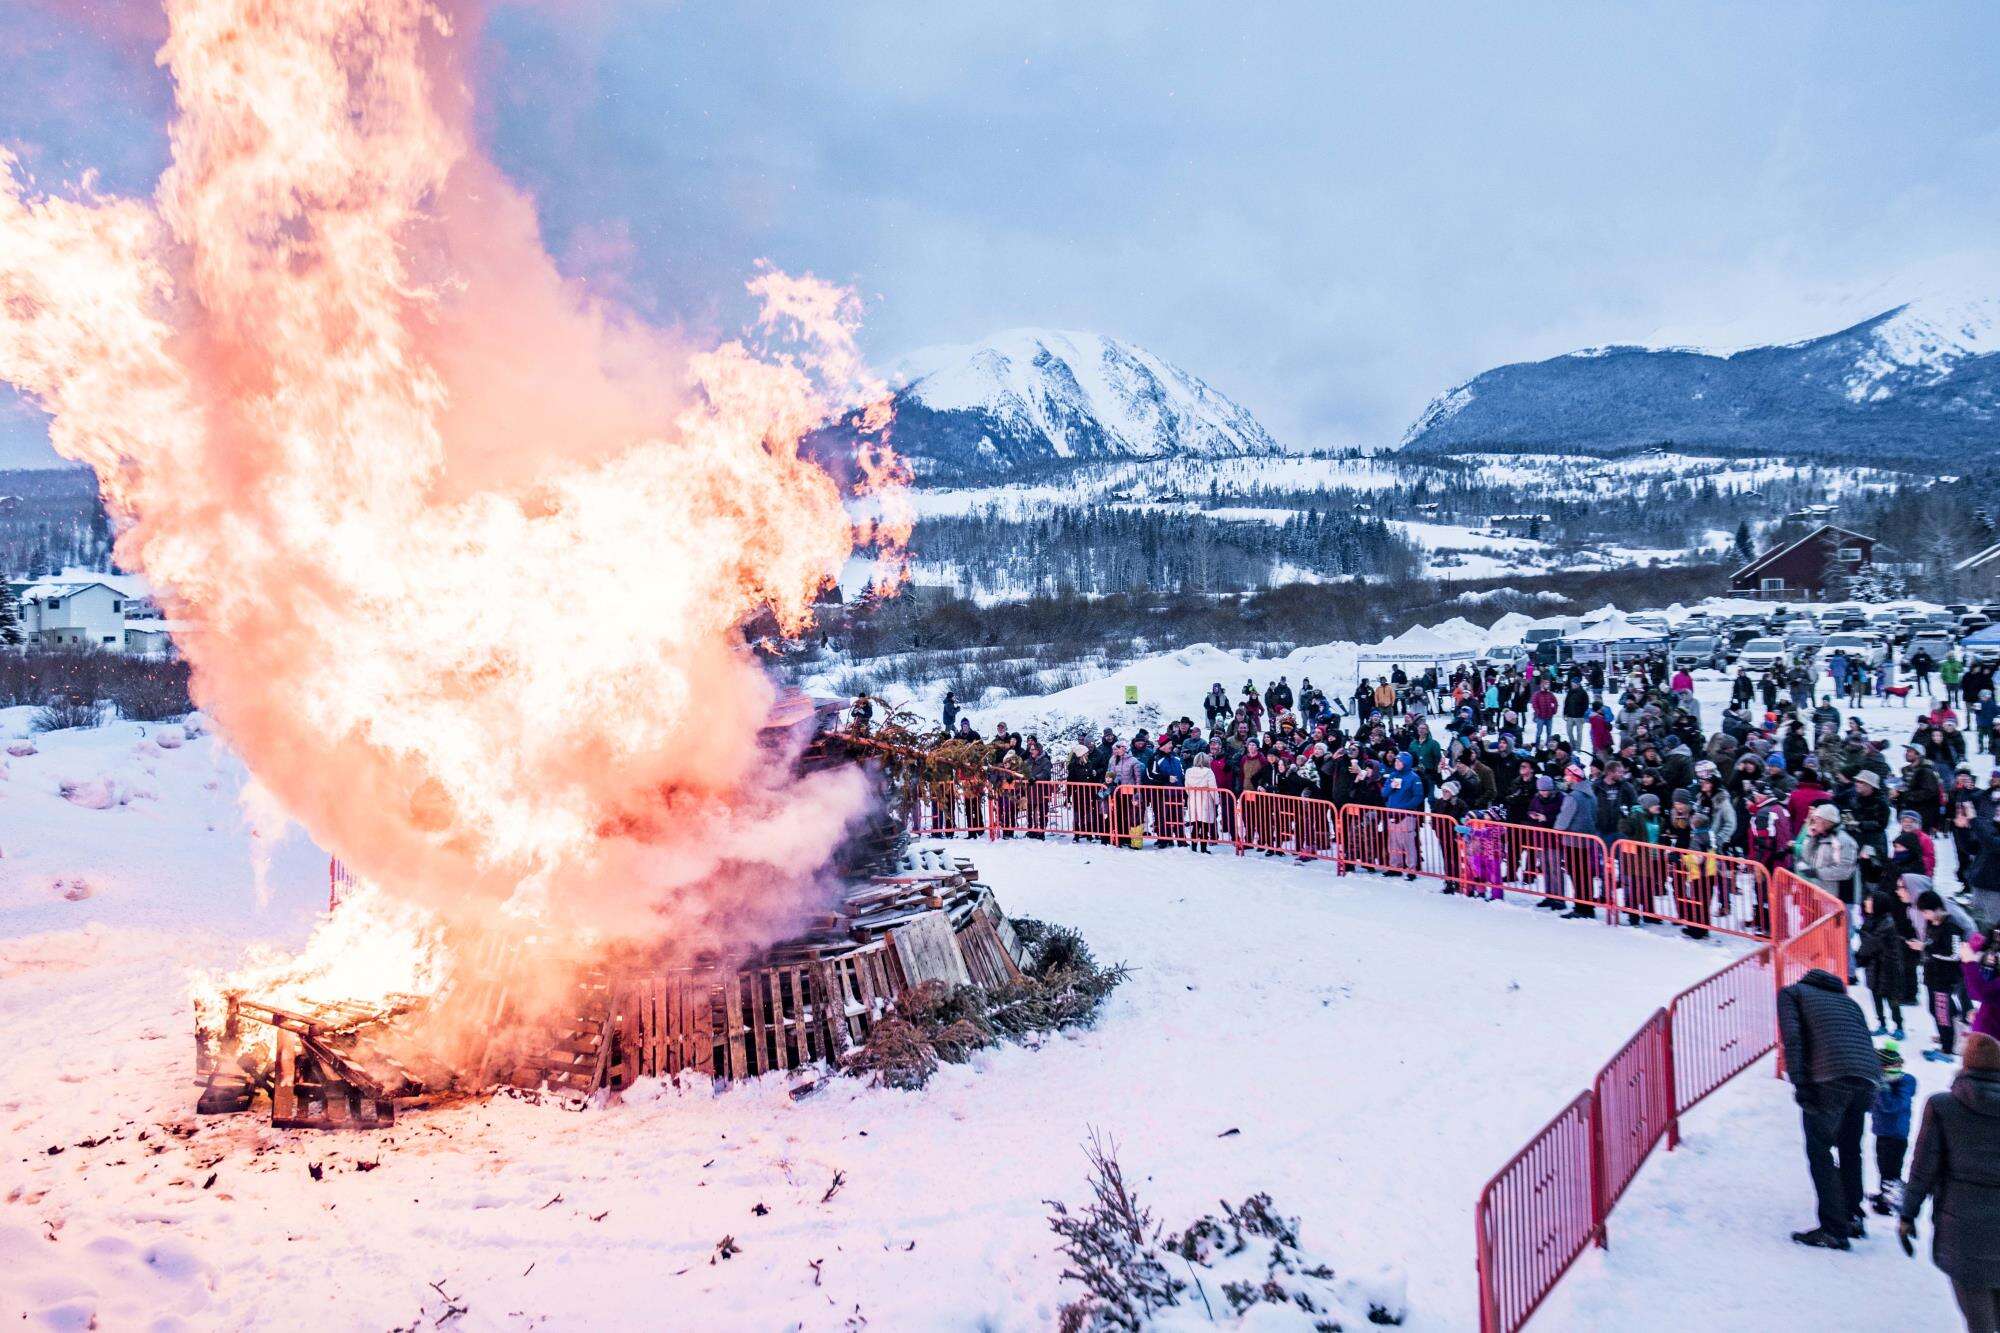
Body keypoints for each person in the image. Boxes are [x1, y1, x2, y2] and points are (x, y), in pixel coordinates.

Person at [1898, 1031, 2000, 1332]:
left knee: (1979, 1320)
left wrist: (1907, 1214)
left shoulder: (1944, 1107)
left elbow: (1923, 1169)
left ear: (1965, 1065)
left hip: (1962, 1230)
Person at [1779, 966, 1884, 1249]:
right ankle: (1852, 1216)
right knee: (1850, 1148)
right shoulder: (1849, 1002)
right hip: (1867, 1078)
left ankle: (1834, 1229)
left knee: (1820, 1149)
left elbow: (1794, 1038)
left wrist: (1800, 1083)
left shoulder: (1792, 994)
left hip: (1828, 1078)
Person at [1918, 889, 1969, 1063]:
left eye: (1926, 912)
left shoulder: (1952, 927)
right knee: (1934, 1009)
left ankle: (1947, 1047)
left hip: (1945, 979)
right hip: (1932, 976)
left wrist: (1927, 949)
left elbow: (1954, 954)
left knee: (1943, 1012)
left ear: (1936, 909)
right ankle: (1945, 1036)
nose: (1924, 916)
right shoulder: (1932, 925)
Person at [1870, 1038, 1918, 1217]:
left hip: (1895, 1135)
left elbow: (1891, 1106)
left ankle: (1896, 1200)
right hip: (1883, 1132)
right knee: (1884, 1167)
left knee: (1891, 1170)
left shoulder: (1903, 1084)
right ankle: (1885, 1197)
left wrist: (1883, 1087)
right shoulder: (1887, 1084)